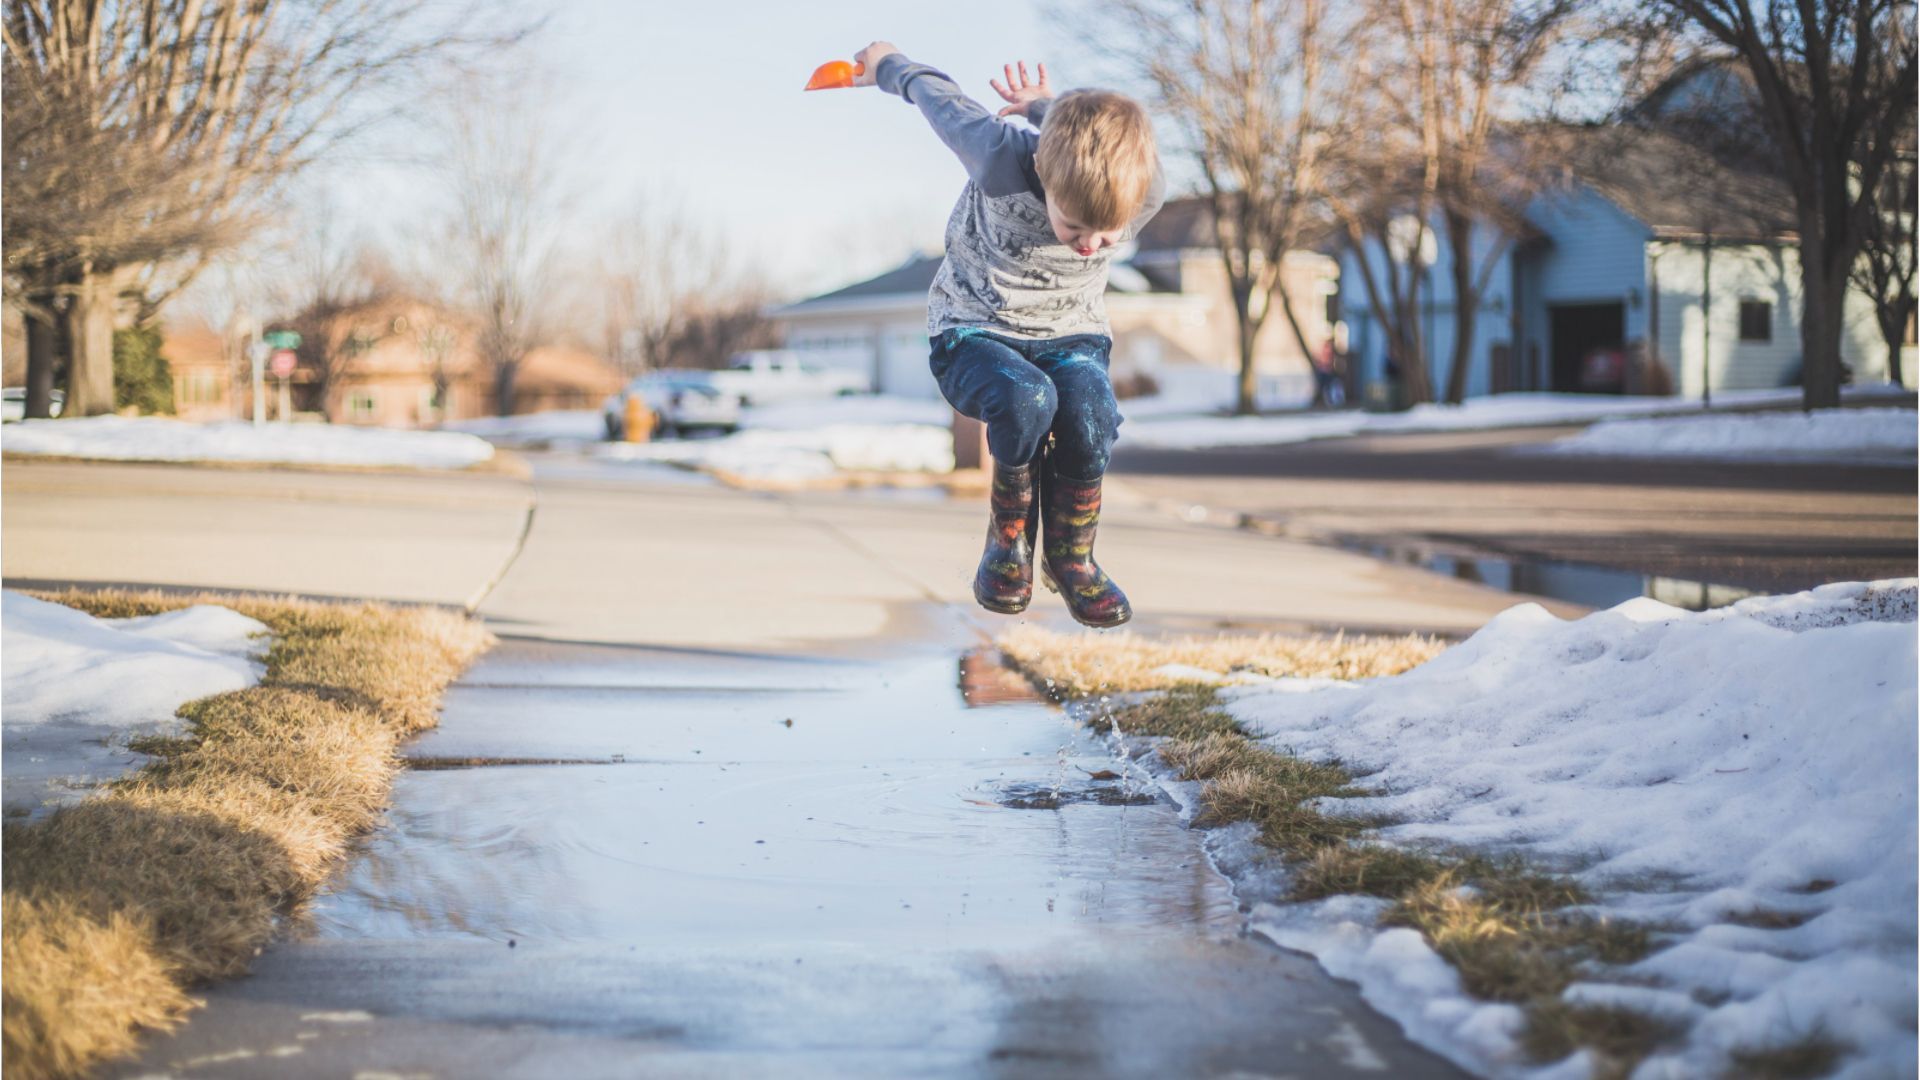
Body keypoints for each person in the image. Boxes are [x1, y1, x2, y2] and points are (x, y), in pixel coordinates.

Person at [852, 43, 1164, 628]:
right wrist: (886, 64)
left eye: (1109, 234)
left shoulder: (1143, 189)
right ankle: (1008, 544)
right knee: (1027, 398)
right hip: (972, 332)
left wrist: (1046, 105)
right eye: (1074, 224)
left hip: (1071, 334)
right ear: (1044, 171)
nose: (1091, 245)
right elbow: (938, 98)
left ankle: (1071, 557)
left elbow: (1091, 146)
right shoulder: (997, 153)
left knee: (1092, 414)